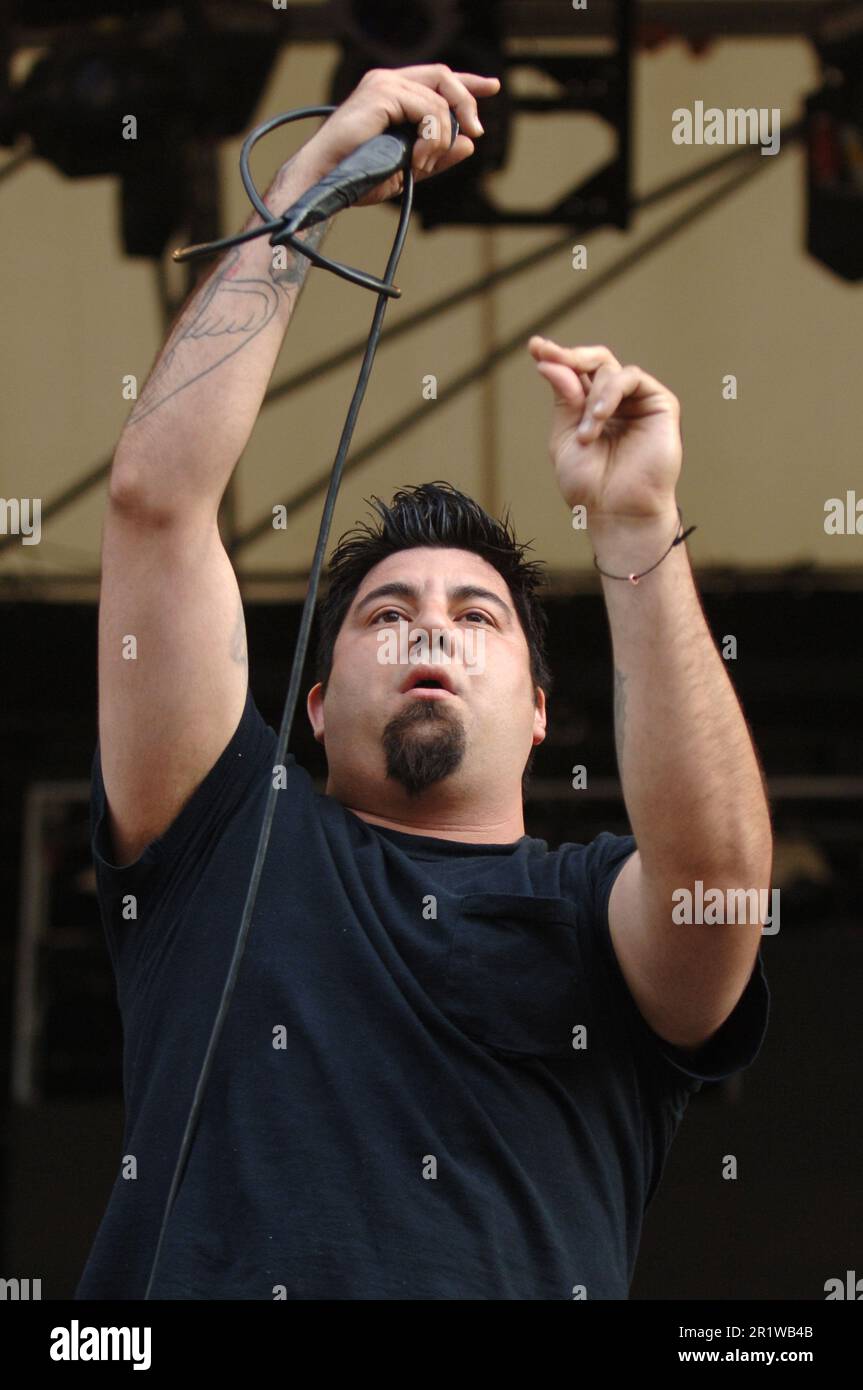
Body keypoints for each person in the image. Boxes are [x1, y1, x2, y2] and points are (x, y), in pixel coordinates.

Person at [77, 64, 772, 1301]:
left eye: (475, 616)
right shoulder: (228, 843)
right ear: (312, 704)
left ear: (540, 710)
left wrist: (633, 524)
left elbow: (718, 885)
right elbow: (155, 505)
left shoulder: (590, 911)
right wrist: (312, 180)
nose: (426, 633)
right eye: (384, 615)